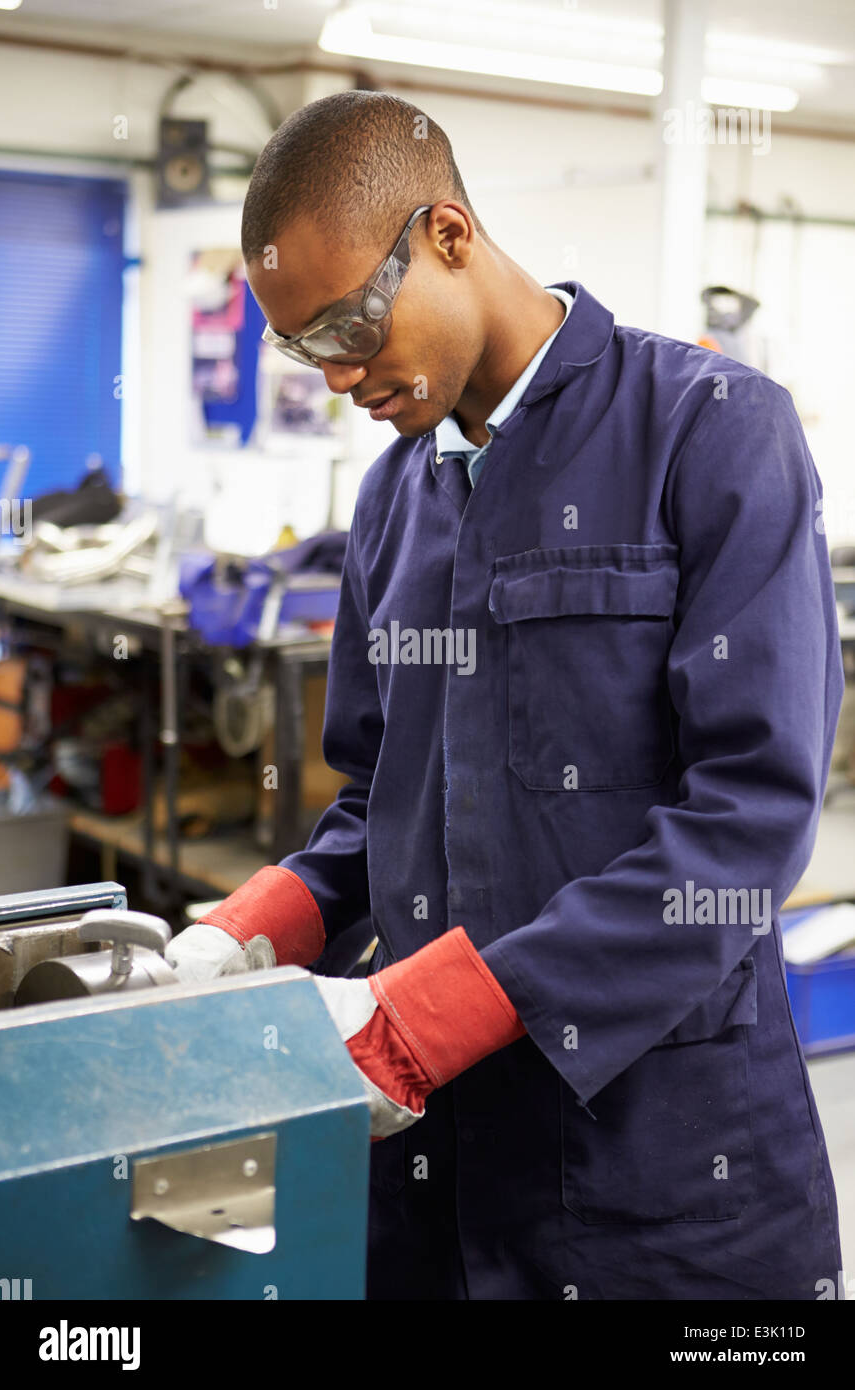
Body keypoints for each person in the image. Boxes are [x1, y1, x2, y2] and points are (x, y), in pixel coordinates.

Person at [168, 91, 844, 1301]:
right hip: (434, 1169)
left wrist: (435, 1015)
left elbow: (746, 825)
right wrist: (260, 920)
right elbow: (379, 800)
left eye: (350, 327)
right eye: (303, 348)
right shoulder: (391, 504)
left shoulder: (709, 433)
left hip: (663, 1176)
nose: (339, 377)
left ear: (446, 235)